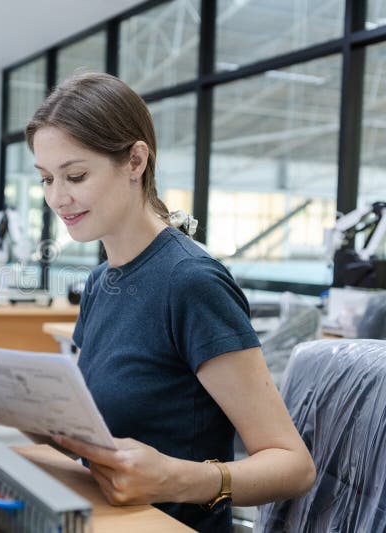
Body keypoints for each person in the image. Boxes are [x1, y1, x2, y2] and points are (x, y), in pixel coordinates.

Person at [25, 72, 316, 532]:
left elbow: (293, 466)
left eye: (75, 176)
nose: (58, 198)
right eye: (46, 179)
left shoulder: (190, 282)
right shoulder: (100, 282)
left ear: (135, 161)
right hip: (108, 519)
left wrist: (176, 478)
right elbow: (99, 423)